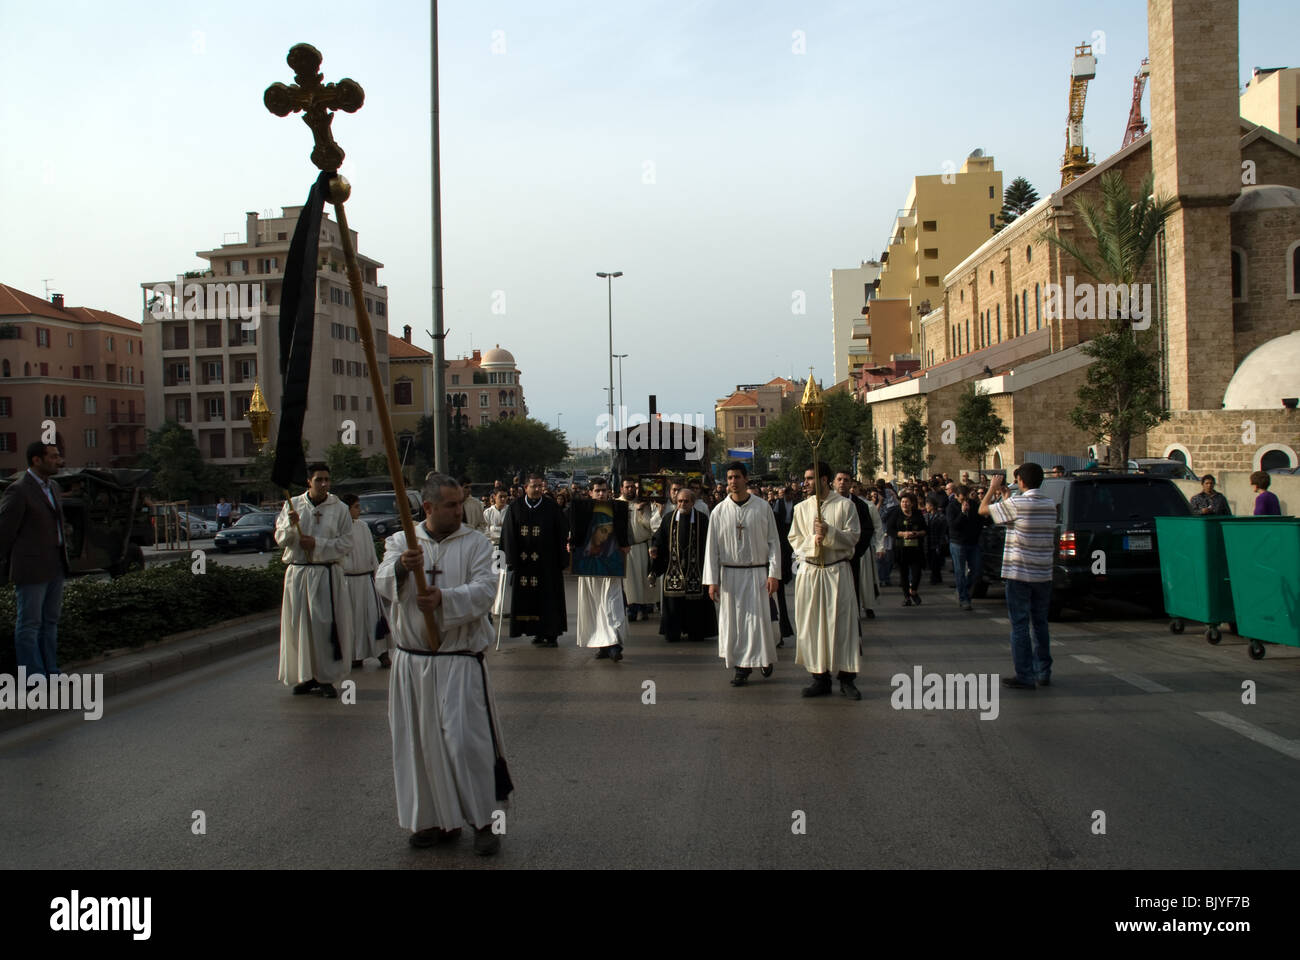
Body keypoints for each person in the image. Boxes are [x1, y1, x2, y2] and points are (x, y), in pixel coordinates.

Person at [376, 472, 510, 855]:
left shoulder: (475, 543)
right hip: (412, 660)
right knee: (417, 743)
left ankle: (483, 821)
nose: (460, 509)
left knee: (467, 741)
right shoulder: (401, 541)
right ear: (429, 507)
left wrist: (444, 599)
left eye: (460, 502)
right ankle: (434, 820)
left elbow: (486, 591)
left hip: (458, 660)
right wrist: (402, 566)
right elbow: (381, 580)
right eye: (451, 505)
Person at [276, 463, 355, 699]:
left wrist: (318, 545)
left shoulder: (339, 508)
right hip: (299, 573)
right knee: (299, 627)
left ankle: (326, 677)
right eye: (319, 479)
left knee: (323, 627)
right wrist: (291, 525)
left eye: (327, 479)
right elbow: (281, 539)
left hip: (325, 574)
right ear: (309, 481)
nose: (324, 484)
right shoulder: (293, 505)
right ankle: (306, 675)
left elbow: (347, 543)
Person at [703, 462, 780, 687]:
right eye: (729, 478)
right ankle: (741, 667)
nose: (732, 481)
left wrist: (773, 573)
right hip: (730, 575)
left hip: (757, 573)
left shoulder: (762, 507)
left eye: (736, 477)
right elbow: (712, 549)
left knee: (758, 621)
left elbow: (773, 542)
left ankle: (763, 658)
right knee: (735, 623)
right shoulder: (719, 511)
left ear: (746, 479)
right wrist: (712, 581)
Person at [980, 463, 1056, 689]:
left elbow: (983, 510)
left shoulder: (1019, 503)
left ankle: (1025, 674)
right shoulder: (1049, 504)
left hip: (1019, 572)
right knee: (1040, 623)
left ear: (1021, 480)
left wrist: (992, 489)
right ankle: (1044, 671)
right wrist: (1007, 497)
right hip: (1042, 572)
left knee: (1020, 624)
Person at [789, 462, 861, 699]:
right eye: (805, 478)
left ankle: (847, 678)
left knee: (841, 625)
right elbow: (795, 539)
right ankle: (819, 676)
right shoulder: (801, 508)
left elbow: (853, 538)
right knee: (813, 625)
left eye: (810, 478)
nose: (805, 483)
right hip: (811, 572)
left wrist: (829, 532)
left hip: (836, 572)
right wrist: (813, 541)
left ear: (824, 480)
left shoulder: (845, 505)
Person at [0, 441, 69, 677]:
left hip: (55, 565)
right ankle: (33, 676)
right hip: (30, 568)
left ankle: (52, 672)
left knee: (50, 622)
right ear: (36, 460)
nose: (58, 460)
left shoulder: (54, 487)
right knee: (29, 625)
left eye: (58, 455)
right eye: (53, 456)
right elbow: (5, 532)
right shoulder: (18, 490)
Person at [501, 474, 569, 647]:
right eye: (534, 486)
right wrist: (509, 559)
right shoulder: (515, 508)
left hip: (547, 563)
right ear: (526, 488)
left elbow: (562, 534)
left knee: (549, 597)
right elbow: (508, 535)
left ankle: (551, 633)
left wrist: (562, 559)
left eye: (540, 486)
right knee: (528, 598)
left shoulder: (551, 507)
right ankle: (536, 631)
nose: (538, 489)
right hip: (524, 563)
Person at [569, 477, 630, 660]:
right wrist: (571, 543)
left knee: (612, 604)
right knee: (594, 606)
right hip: (588, 566)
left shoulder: (617, 508)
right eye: (597, 490)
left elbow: (623, 532)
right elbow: (575, 531)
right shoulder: (581, 510)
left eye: (604, 490)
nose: (601, 494)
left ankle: (614, 644)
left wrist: (625, 544)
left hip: (611, 566)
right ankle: (602, 644)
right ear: (590, 492)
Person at [650, 487, 717, 644]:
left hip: (696, 569)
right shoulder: (668, 519)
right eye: (680, 501)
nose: (683, 504)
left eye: (686, 501)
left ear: (693, 502)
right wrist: (654, 548)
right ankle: (673, 632)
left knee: (695, 604)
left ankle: (696, 631)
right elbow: (659, 537)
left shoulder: (702, 519)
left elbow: (710, 543)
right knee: (674, 603)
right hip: (674, 568)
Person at [340, 493, 391, 669]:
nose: (359, 511)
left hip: (366, 580)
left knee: (374, 616)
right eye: (356, 507)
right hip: (348, 582)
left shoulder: (362, 526)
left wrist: (378, 576)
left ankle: (382, 654)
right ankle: (356, 655)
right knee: (353, 621)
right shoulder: (338, 529)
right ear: (346, 509)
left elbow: (371, 553)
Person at [833, 471, 872, 616]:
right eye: (839, 479)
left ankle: (855, 625)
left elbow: (867, 530)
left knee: (852, 589)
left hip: (851, 556)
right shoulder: (826, 503)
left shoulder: (860, 505)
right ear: (833, 482)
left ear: (850, 484)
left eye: (846, 480)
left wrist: (855, 551)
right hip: (831, 556)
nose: (842, 482)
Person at [619, 478, 656, 622]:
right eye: (627, 487)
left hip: (640, 547)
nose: (630, 490)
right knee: (627, 582)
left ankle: (643, 607)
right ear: (622, 489)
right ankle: (630, 609)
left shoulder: (644, 504)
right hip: (623, 548)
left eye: (632, 487)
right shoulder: (617, 504)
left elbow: (650, 526)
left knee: (641, 579)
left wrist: (641, 511)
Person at [947, 484, 982, 611]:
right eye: (962, 499)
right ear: (956, 497)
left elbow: (980, 520)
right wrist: (962, 513)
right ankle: (964, 598)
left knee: (976, 570)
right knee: (960, 571)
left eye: (966, 499)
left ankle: (963, 589)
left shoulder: (974, 505)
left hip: (973, 542)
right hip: (958, 543)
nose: (965, 502)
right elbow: (953, 526)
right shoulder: (951, 507)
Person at [888, 493, 927, 606]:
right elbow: (891, 529)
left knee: (916, 573)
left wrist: (917, 533)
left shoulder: (918, 514)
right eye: (903, 502)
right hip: (901, 549)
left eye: (907, 502)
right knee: (903, 574)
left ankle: (913, 591)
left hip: (916, 549)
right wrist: (902, 534)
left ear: (912, 503)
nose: (904, 504)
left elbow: (925, 530)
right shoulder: (896, 513)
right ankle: (906, 597)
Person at [924, 496, 948, 585]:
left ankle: (935, 577)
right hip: (928, 542)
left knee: (935, 561)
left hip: (937, 541)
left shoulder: (941, 517)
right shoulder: (926, 516)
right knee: (930, 560)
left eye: (928, 505)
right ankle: (937, 576)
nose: (926, 507)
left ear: (932, 506)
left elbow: (943, 531)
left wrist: (941, 542)